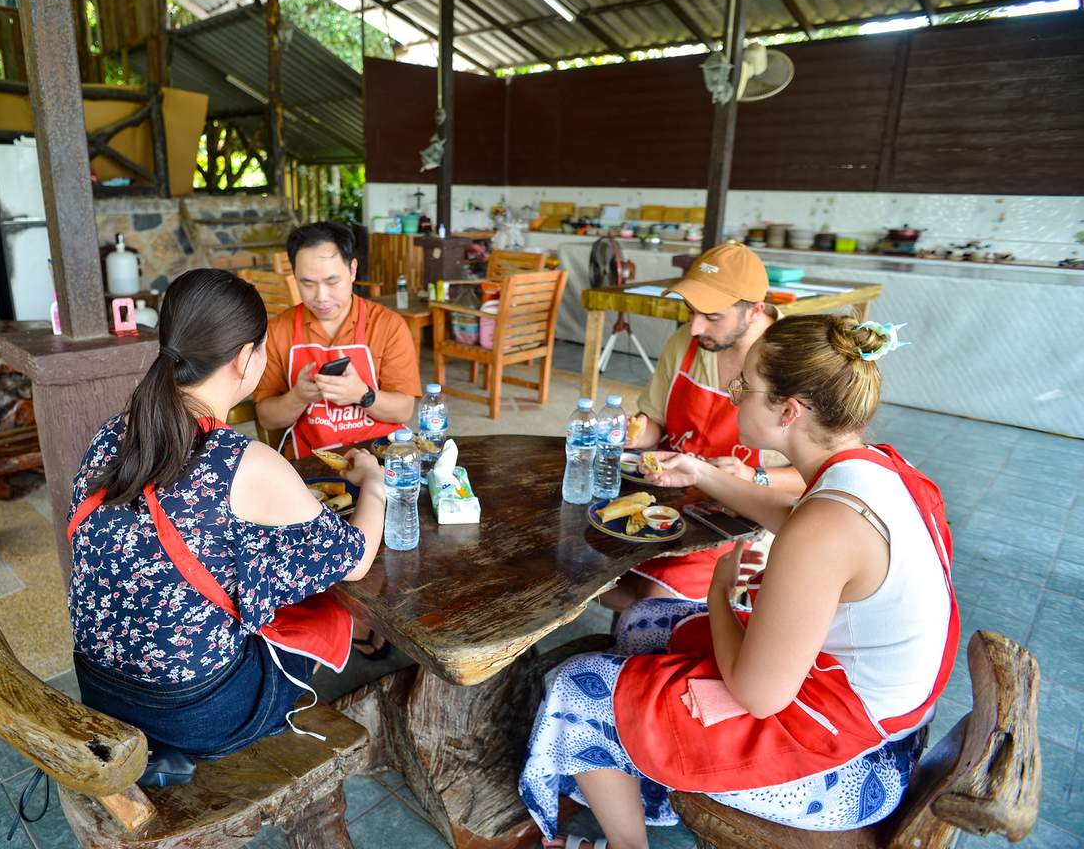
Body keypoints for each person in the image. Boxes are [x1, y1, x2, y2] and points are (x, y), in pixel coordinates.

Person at [520, 315, 957, 849]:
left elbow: (759, 694)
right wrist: (703, 473)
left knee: (576, 686)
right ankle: (643, 761)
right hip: (884, 713)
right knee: (643, 618)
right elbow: (793, 513)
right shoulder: (878, 467)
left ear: (789, 410)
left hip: (850, 760)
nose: (733, 397)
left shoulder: (826, 528)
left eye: (744, 387)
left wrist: (718, 596)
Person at [67, 269, 386, 769]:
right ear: (245, 358)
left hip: (100, 690)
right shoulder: (244, 462)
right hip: (198, 715)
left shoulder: (112, 434)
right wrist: (375, 485)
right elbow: (357, 558)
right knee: (315, 603)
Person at [612, 242, 804, 606]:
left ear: (755, 310)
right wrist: (632, 432)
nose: (696, 327)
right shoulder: (686, 341)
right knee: (589, 559)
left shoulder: (794, 362)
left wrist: (754, 476)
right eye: (691, 311)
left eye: (713, 316)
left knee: (654, 599)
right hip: (671, 493)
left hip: (743, 516)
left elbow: (819, 475)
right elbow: (655, 421)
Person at [255, 221, 422, 460]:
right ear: (294, 276)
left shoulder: (388, 326)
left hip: (381, 457)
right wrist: (298, 397)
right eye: (307, 283)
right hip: (312, 460)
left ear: (352, 270)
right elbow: (266, 418)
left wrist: (363, 395)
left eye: (332, 282)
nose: (321, 297)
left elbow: (403, 410)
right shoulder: (279, 330)